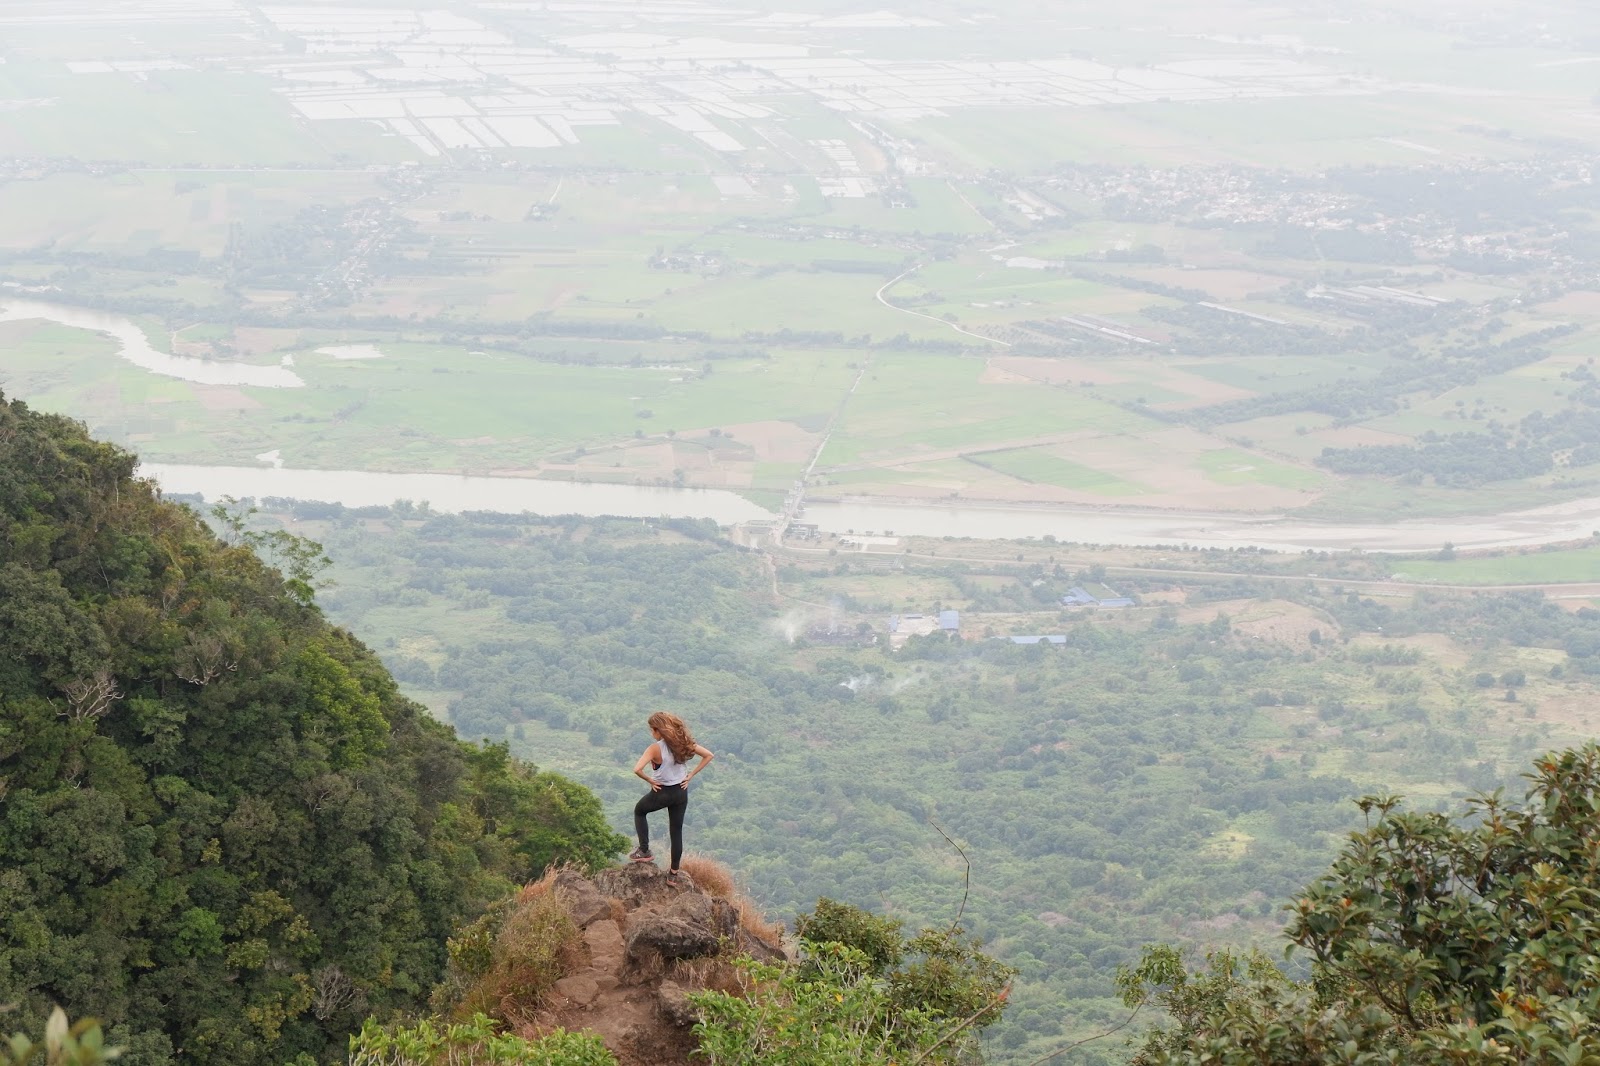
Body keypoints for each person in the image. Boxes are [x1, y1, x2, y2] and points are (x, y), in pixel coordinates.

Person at [629, 711, 713, 883]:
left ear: (657, 730)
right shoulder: (683, 743)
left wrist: (650, 780)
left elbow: (637, 769)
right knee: (676, 831)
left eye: (652, 730)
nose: (651, 733)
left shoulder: (655, 748)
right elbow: (709, 755)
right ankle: (673, 875)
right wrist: (691, 775)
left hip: (663, 792)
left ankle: (644, 850)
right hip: (681, 792)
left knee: (640, 811)